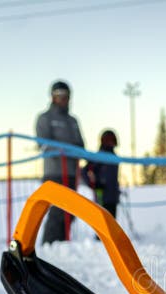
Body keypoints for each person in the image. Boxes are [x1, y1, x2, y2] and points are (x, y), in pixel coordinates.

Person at [35, 80, 85, 244]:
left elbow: (81, 144)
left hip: (71, 172)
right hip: (54, 172)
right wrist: (64, 150)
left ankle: (62, 246)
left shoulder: (73, 121)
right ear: (53, 97)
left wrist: (73, 151)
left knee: (69, 212)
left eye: (66, 96)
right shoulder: (45, 118)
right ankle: (49, 246)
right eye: (60, 96)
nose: (63, 99)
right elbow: (43, 143)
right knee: (57, 211)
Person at [84, 129, 120, 218]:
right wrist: (93, 184)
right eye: (108, 140)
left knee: (112, 224)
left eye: (112, 140)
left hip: (113, 197)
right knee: (102, 222)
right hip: (101, 197)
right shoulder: (98, 156)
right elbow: (84, 171)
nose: (111, 143)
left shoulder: (115, 157)